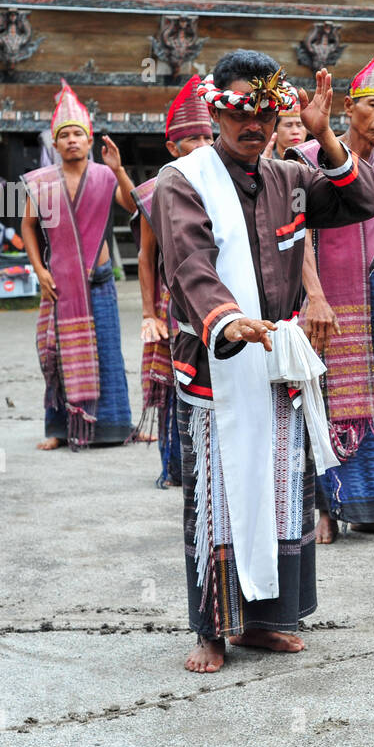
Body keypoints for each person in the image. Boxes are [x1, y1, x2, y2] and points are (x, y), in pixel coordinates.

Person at [151, 51, 374, 672]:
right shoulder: (184, 180)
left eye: (266, 111)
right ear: (216, 109)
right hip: (217, 361)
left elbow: (363, 199)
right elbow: (189, 266)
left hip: (277, 360)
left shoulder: (290, 177)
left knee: (281, 487)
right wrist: (229, 319)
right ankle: (212, 628)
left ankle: (267, 621)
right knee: (219, 494)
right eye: (240, 112)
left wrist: (326, 132)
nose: (253, 125)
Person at [294, 30, 374, 542]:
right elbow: (296, 232)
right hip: (323, 288)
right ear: (349, 106)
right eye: (373, 105)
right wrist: (315, 294)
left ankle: (372, 508)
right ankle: (328, 508)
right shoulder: (305, 157)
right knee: (323, 394)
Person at [20, 79, 138, 450]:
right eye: (65, 135)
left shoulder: (104, 176)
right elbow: (26, 225)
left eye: (78, 134)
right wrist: (39, 270)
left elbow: (135, 208)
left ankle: (113, 428)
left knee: (107, 353)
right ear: (54, 144)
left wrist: (118, 169)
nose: (72, 140)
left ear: (89, 140)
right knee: (58, 355)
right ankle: (59, 430)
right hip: (60, 281)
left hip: (99, 280)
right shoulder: (40, 182)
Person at [128, 75, 215, 486]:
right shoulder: (153, 191)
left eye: (205, 136)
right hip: (173, 302)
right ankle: (174, 468)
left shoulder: (224, 183)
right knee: (174, 380)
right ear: (171, 148)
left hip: (218, 301)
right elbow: (147, 257)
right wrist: (149, 313)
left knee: (212, 384)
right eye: (190, 139)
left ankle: (210, 467)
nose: (200, 146)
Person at [270, 87, 309, 158]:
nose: (295, 131)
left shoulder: (315, 163)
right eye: (288, 125)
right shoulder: (265, 160)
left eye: (299, 125)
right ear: (275, 129)